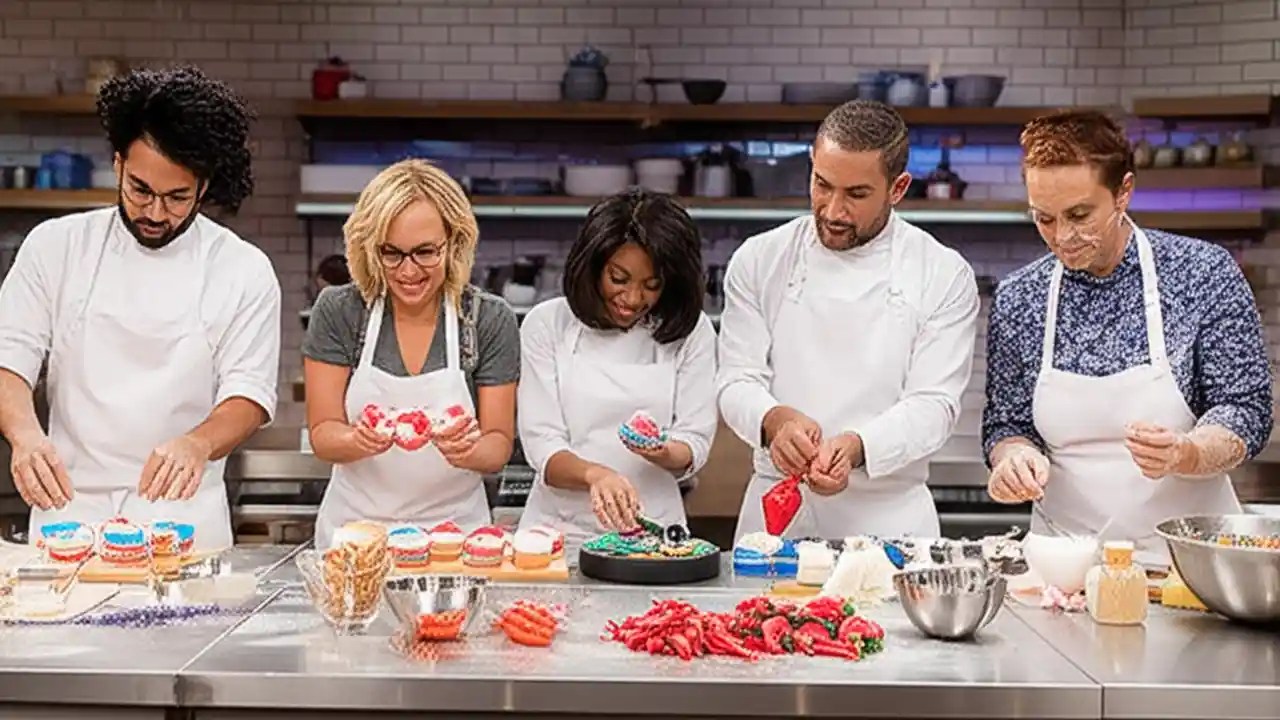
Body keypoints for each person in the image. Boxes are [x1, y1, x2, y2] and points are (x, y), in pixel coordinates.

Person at [0, 66, 281, 550]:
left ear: (204, 186)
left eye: (177, 198)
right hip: (70, 515)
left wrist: (197, 444)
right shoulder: (56, 247)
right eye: (140, 190)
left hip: (183, 522)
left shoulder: (242, 269)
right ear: (117, 165)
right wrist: (25, 435)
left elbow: (249, 395)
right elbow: (9, 358)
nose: (155, 213)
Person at [983, 110, 1272, 565]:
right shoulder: (1021, 296)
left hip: (1188, 566)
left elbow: (1246, 410)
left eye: (1079, 214)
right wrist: (1011, 458)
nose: (1062, 237)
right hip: (1066, 566)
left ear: (1124, 193)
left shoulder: (1202, 273)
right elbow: (1007, 423)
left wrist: (1187, 452)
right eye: (1044, 219)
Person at [717, 100, 980, 542]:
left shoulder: (942, 273)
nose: (833, 210)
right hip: (776, 520)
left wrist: (858, 447)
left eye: (856, 194)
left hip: (891, 521)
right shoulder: (760, 259)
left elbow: (934, 406)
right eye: (822, 185)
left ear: (897, 188)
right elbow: (734, 381)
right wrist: (773, 420)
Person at [303, 159, 519, 547]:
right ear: (371, 248)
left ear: (453, 243)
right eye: (392, 253)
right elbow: (323, 434)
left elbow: (498, 443)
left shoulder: (487, 318)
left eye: (425, 253)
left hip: (455, 540)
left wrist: (467, 450)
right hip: (355, 537)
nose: (408, 271)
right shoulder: (340, 311)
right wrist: (360, 440)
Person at [517, 189, 718, 550]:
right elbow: (542, 445)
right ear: (592, 265)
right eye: (619, 279)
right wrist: (596, 474)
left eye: (651, 285)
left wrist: (663, 452)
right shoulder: (547, 324)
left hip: (655, 532)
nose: (633, 299)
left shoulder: (693, 331)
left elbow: (695, 441)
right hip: (557, 535)